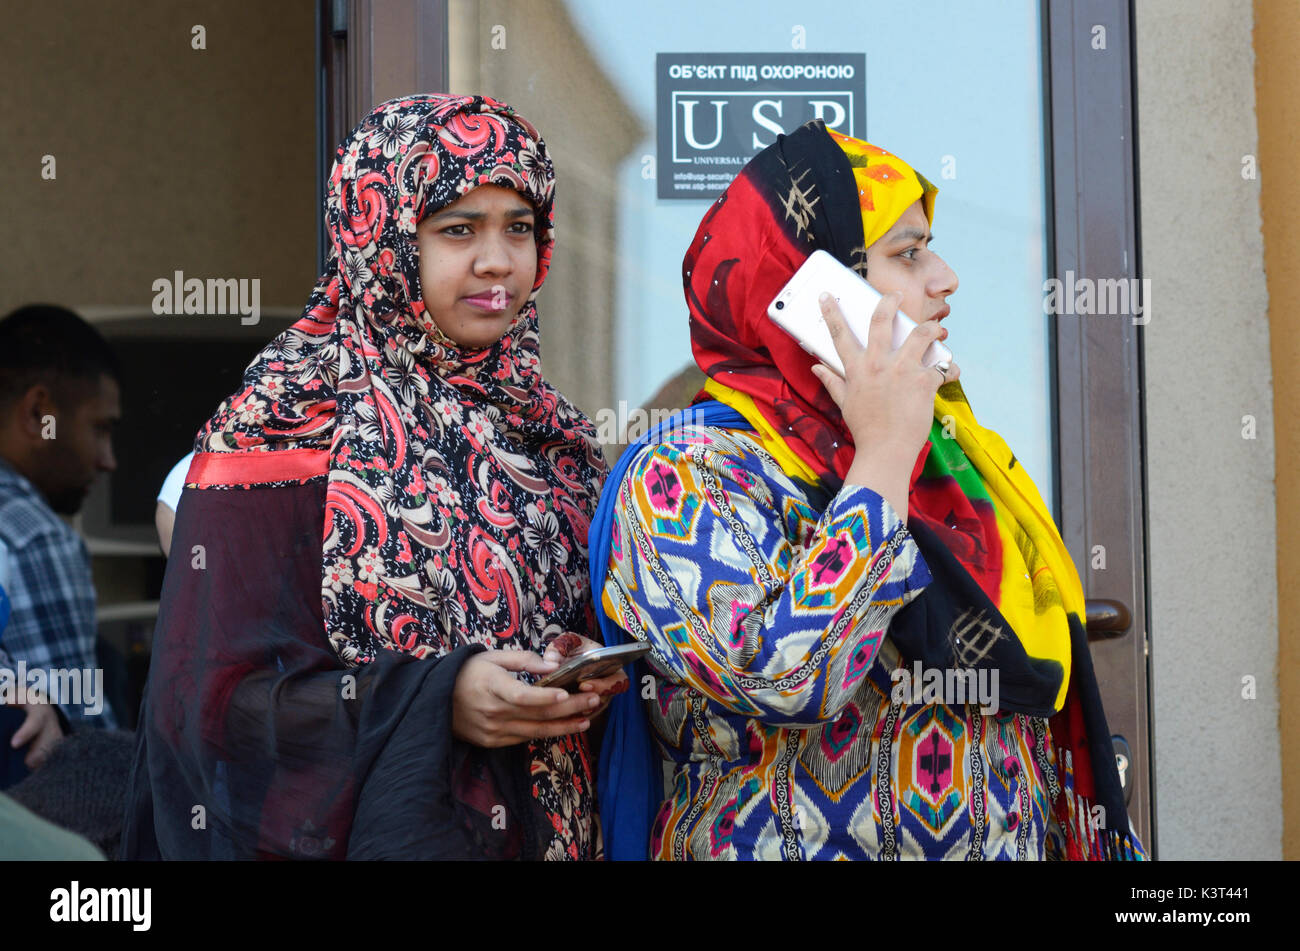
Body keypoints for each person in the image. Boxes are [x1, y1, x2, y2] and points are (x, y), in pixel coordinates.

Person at [592, 120, 1145, 860]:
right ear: (813, 286)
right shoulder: (685, 473)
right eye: (908, 253)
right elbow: (789, 677)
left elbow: (1029, 726)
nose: (945, 277)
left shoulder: (950, 462)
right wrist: (881, 456)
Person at [122, 94, 622, 860]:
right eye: (458, 229)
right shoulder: (284, 424)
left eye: (519, 227)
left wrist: (577, 669)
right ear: (382, 239)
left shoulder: (548, 433)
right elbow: (209, 708)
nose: (498, 260)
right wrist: (436, 701)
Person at [0, 305, 121, 732]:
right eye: (100, 429)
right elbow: (86, 761)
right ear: (40, 416)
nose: (108, 461)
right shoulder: (33, 538)